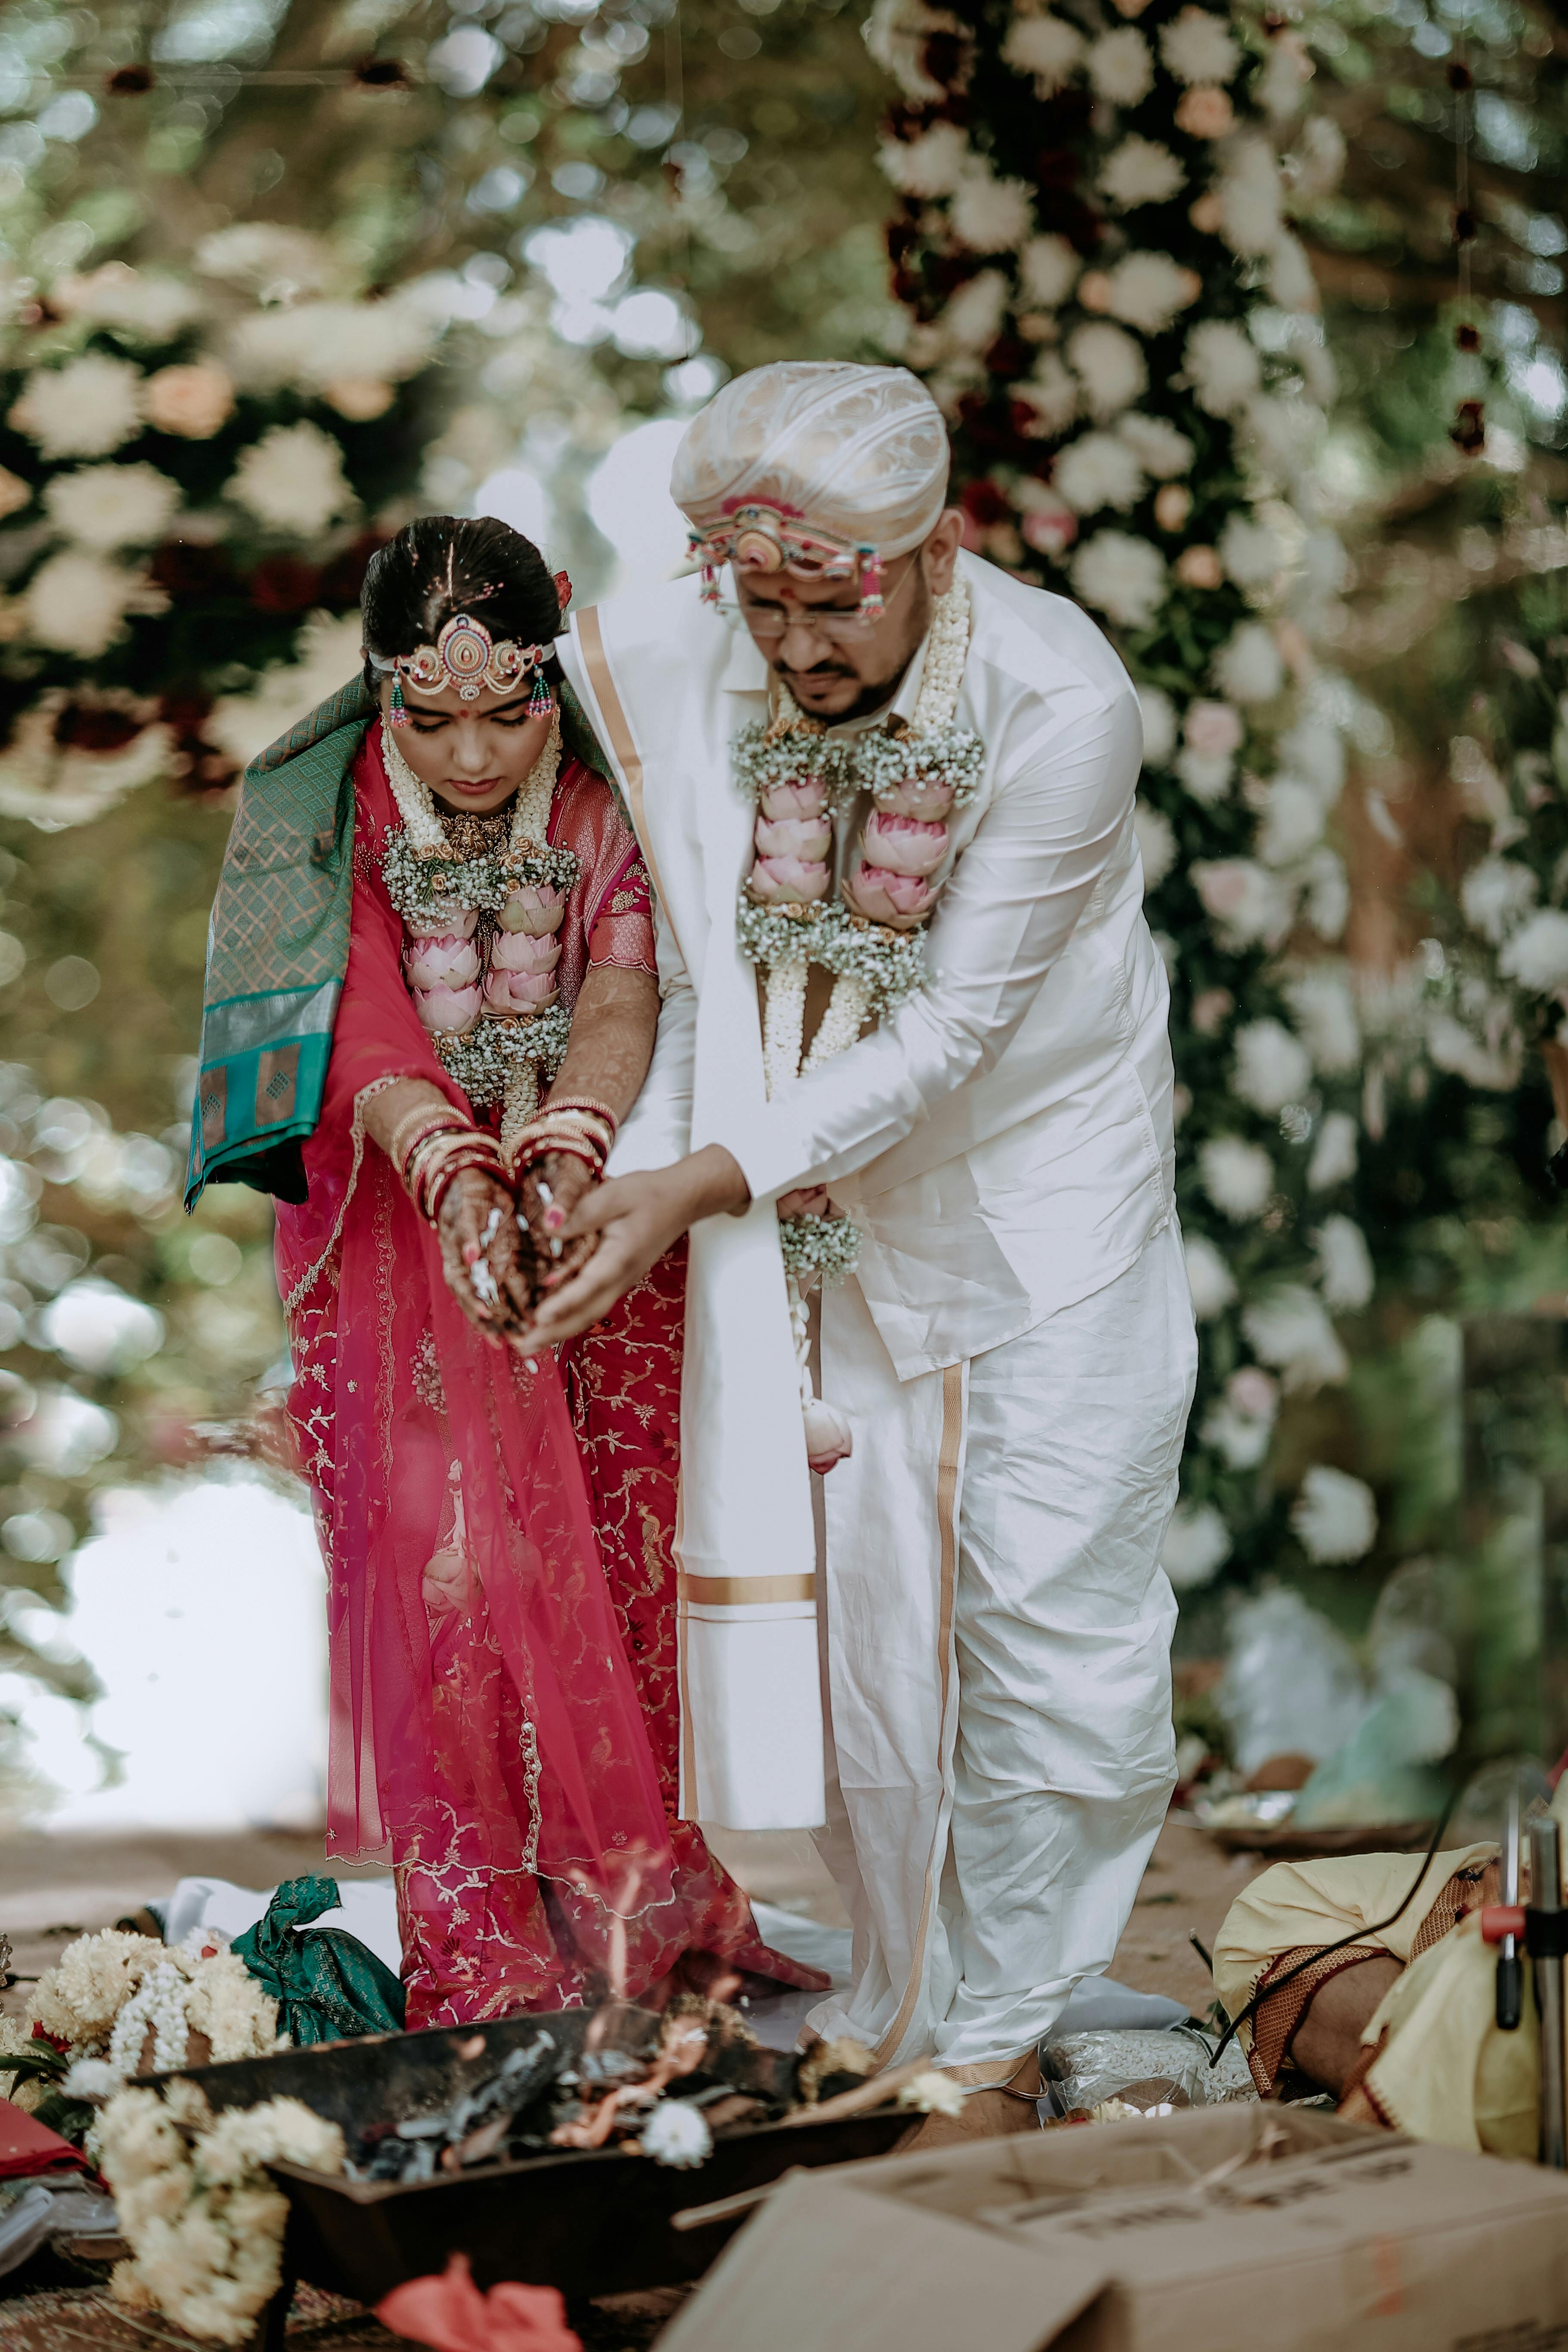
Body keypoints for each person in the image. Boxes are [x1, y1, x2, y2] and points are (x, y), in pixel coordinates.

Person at [530, 361, 1198, 2134]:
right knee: (878, 1629)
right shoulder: (710, 668)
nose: (803, 650)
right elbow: (626, 896)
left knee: (1048, 1614)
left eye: (838, 604)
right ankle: (912, 2013)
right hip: (807, 1224)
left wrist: (689, 1189)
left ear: (935, 551)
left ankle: (997, 2028)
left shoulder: (1059, 706)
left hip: (1032, 1208)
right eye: (765, 606)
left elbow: (947, 1038)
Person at [184, 514, 822, 2027]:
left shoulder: (609, 791)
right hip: (403, 1226)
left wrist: (566, 1150)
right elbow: (345, 1017)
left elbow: (624, 970)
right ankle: (477, 1929)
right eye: (431, 712)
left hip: (589, 1214)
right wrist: (458, 1166)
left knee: (611, 1546)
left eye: (508, 708)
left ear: (555, 682)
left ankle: (631, 1903)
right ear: (379, 693)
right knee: (447, 1577)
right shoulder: (322, 812)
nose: (472, 751)